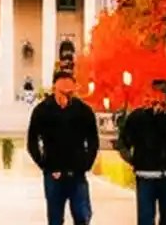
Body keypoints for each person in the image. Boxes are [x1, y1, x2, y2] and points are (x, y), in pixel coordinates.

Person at [117, 79, 166, 225]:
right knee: (146, 219)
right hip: (145, 177)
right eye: (154, 94)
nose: (157, 99)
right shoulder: (137, 118)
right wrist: (133, 159)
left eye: (162, 94)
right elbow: (123, 143)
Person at [27, 70, 99, 225]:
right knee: (55, 219)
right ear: (54, 89)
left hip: (77, 174)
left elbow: (93, 141)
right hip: (54, 174)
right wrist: (45, 165)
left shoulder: (83, 111)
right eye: (63, 92)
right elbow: (32, 142)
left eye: (70, 92)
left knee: (82, 216)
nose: (66, 96)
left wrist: (86, 164)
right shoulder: (42, 111)